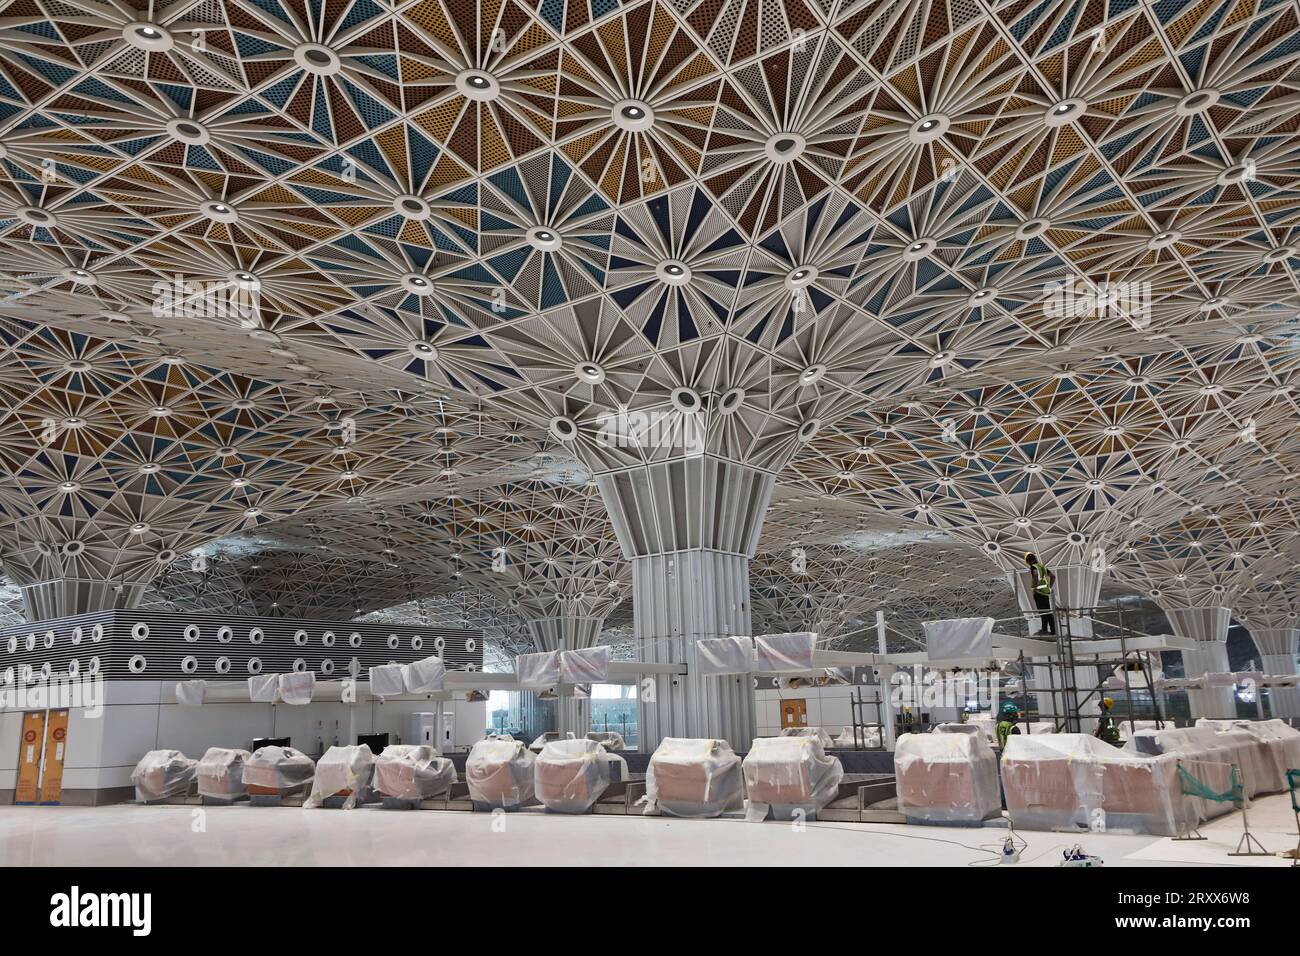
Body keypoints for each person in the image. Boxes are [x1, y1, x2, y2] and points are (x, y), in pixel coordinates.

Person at [1025, 551, 1056, 635]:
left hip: (1039, 592)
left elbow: (1035, 576)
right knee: (1048, 612)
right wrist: (1049, 587)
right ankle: (1054, 631)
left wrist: (1034, 588)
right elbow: (1053, 576)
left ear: (1028, 561)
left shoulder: (1033, 567)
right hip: (1045, 593)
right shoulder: (1041, 566)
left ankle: (1044, 629)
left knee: (1043, 611)